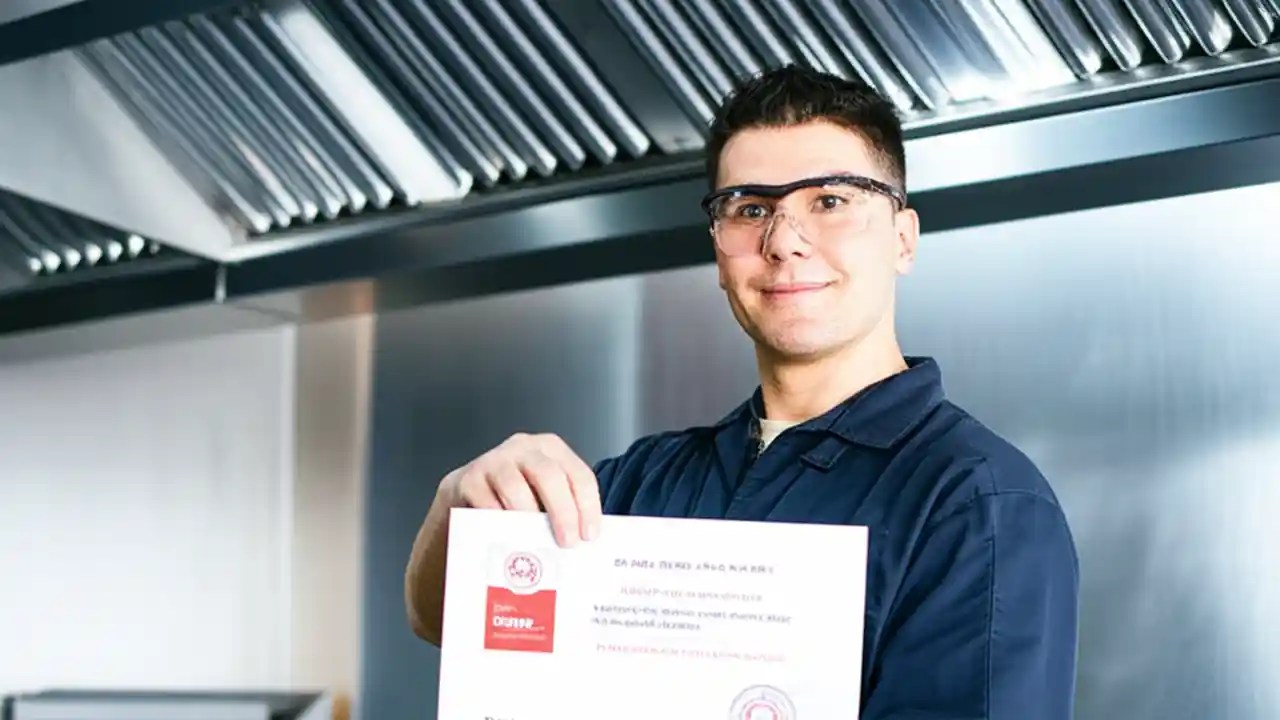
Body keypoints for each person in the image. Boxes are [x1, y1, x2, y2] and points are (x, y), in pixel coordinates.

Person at [405, 64, 1079, 719]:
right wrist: (459, 501)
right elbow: (441, 618)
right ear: (719, 253)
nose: (784, 241)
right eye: (751, 208)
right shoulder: (644, 481)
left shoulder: (977, 503)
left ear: (903, 239)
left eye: (830, 201)